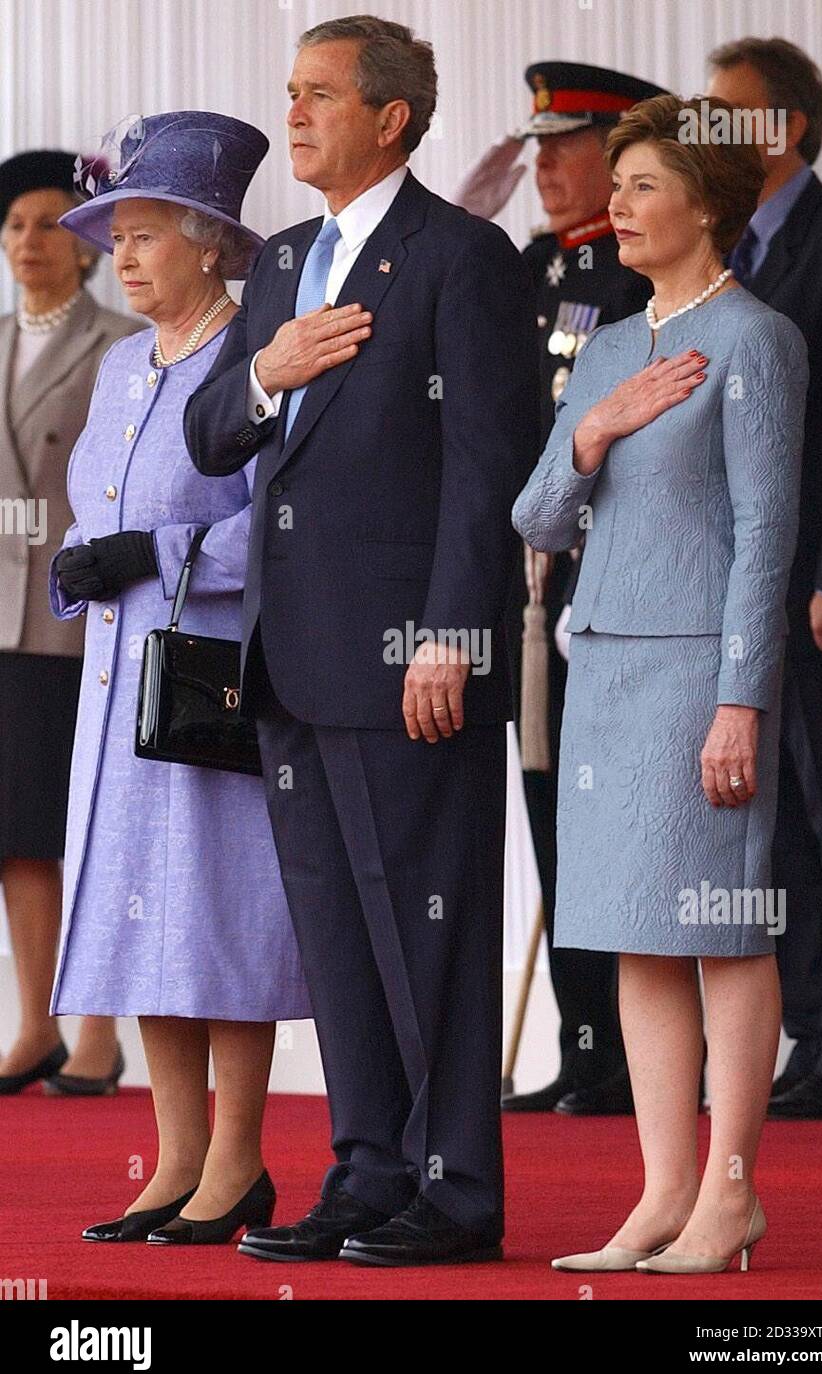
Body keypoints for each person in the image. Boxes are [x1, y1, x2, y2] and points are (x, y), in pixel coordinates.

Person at [185, 16, 538, 1266]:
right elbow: (212, 435)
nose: (294, 114)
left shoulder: (465, 256)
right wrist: (268, 371)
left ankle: (453, 1193)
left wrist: (450, 633)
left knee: (427, 930)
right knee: (336, 931)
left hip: (410, 661)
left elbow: (487, 469)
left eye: (319, 94)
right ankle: (366, 1169)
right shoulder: (280, 265)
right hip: (291, 657)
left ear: (391, 117)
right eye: (290, 92)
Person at [513, 94, 808, 1274]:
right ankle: (663, 1195)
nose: (615, 205)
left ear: (705, 203)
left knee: (721, 931)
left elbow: (766, 536)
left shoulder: (755, 339)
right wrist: (594, 432)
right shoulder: (611, 346)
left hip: (701, 675)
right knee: (638, 938)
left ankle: (729, 1196)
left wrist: (742, 699)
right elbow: (533, 512)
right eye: (616, 185)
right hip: (607, 671)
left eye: (639, 186)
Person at [47, 110, 311, 1244]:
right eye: (116, 238)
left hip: (207, 686)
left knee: (220, 922)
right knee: (141, 923)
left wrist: (157, 556)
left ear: (210, 239)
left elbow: (289, 532)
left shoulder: (255, 360)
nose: (125, 255)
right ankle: (177, 1159)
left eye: (145, 234)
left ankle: (240, 1164)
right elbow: (96, 501)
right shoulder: (115, 364)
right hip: (115, 686)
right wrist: (80, 554)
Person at [456, 63, 666, 1117]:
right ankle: (586, 1051)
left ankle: (634, 1054)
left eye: (564, 148)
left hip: (607, 585)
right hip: (529, 586)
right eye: (534, 149)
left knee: (618, 818)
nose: (543, 166)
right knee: (549, 815)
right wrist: (465, 208)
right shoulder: (529, 266)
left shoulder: (637, 277)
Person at [708, 37, 822, 1119]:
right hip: (739, 594)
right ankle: (812, 1031)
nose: (703, 131)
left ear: (785, 129)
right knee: (773, 821)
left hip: (820, 591)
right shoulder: (723, 250)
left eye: (724, 115)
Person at [0, 149, 136, 1098]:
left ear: (86, 246)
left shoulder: (123, 344)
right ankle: (36, 1022)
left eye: (48, 224)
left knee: (91, 820)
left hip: (81, 613)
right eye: (12, 225)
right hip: (1, 624)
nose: (27, 241)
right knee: (18, 828)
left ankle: (99, 1030)